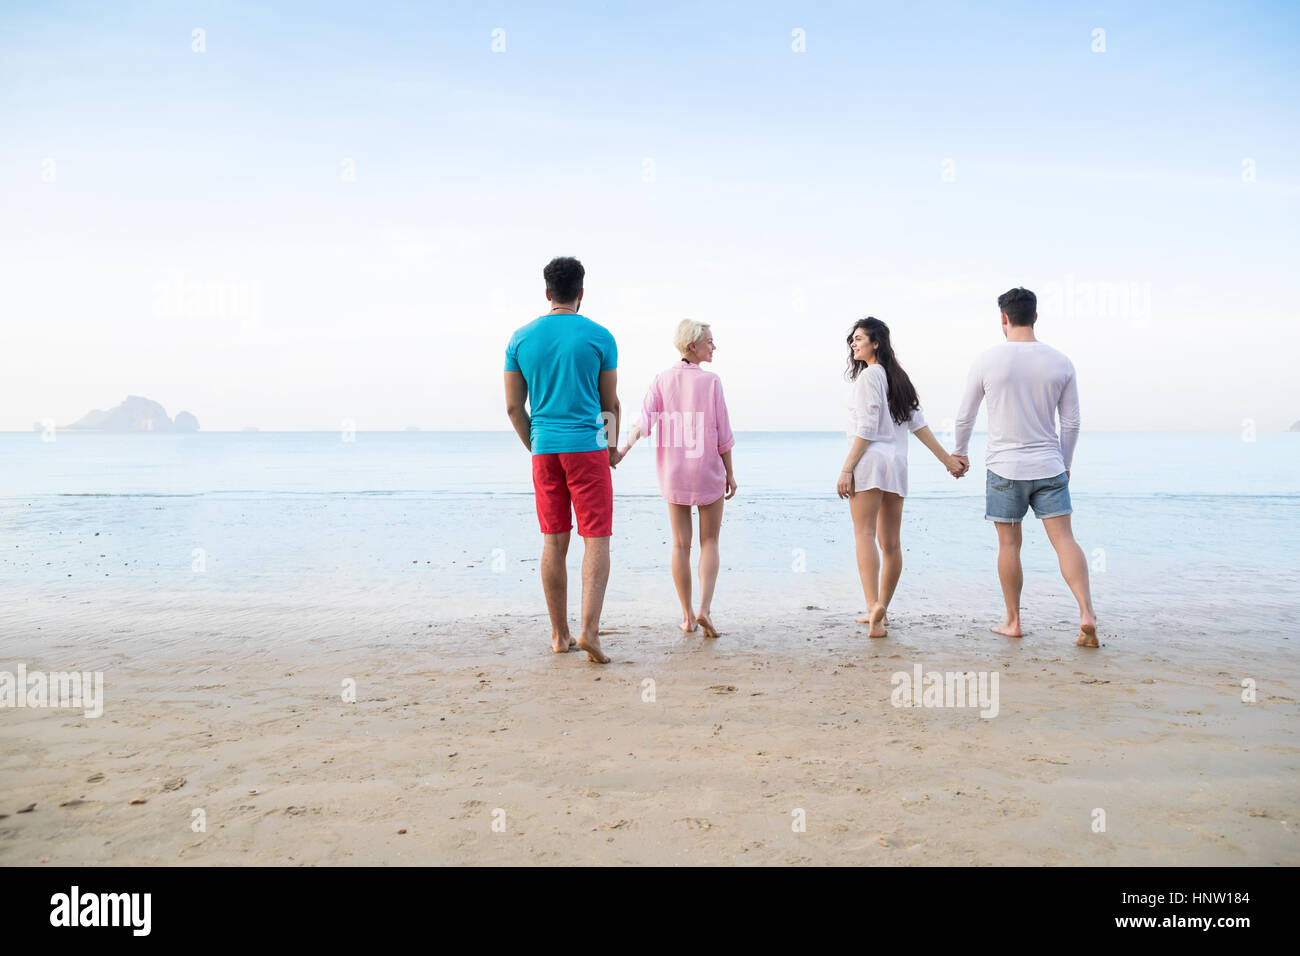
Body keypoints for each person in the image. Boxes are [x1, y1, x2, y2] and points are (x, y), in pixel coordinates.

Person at [952, 286, 1099, 647]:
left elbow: (965, 417)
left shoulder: (987, 360)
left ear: (1003, 318)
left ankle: (1013, 621)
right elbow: (1073, 423)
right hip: (1049, 465)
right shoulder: (1060, 361)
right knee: (1064, 540)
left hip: (1004, 468)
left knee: (1009, 545)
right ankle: (1086, 613)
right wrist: (1065, 464)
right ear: (1035, 316)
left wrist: (959, 453)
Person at [504, 256, 621, 663]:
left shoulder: (520, 339)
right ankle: (590, 631)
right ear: (581, 293)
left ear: (548, 292)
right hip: (587, 448)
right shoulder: (600, 336)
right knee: (596, 539)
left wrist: (536, 444)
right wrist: (610, 449)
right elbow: (610, 404)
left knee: (554, 540)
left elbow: (514, 409)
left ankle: (559, 635)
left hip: (545, 448)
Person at [837, 317, 967, 636]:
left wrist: (846, 469)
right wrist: (948, 461)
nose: (854, 344)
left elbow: (866, 429)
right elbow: (918, 425)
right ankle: (883, 606)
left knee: (864, 535)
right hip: (896, 464)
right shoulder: (899, 377)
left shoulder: (869, 377)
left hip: (869, 462)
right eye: (851, 340)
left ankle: (872, 609)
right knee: (891, 544)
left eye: (859, 339)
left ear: (876, 342)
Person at [618, 320, 736, 637]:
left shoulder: (662, 380)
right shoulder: (711, 382)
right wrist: (731, 473)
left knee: (680, 545)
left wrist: (621, 451)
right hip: (707, 468)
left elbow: (643, 423)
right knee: (709, 541)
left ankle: (686, 617)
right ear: (692, 346)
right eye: (709, 341)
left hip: (674, 473)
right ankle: (705, 609)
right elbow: (723, 434)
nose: (714, 346)